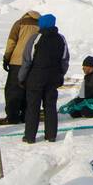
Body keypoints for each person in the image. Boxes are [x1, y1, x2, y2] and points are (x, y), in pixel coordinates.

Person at [19, 14, 69, 143]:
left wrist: (22, 77)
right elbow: (65, 59)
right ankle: (51, 135)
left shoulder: (36, 38)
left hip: (35, 77)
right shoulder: (61, 39)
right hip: (53, 78)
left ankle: (30, 136)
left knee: (33, 107)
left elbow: (27, 59)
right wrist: (60, 74)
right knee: (50, 106)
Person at [2, 10, 42, 124]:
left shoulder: (19, 23)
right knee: (29, 90)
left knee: (13, 90)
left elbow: (11, 42)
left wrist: (6, 58)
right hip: (33, 63)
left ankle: (12, 116)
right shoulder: (40, 25)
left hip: (17, 61)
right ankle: (26, 115)